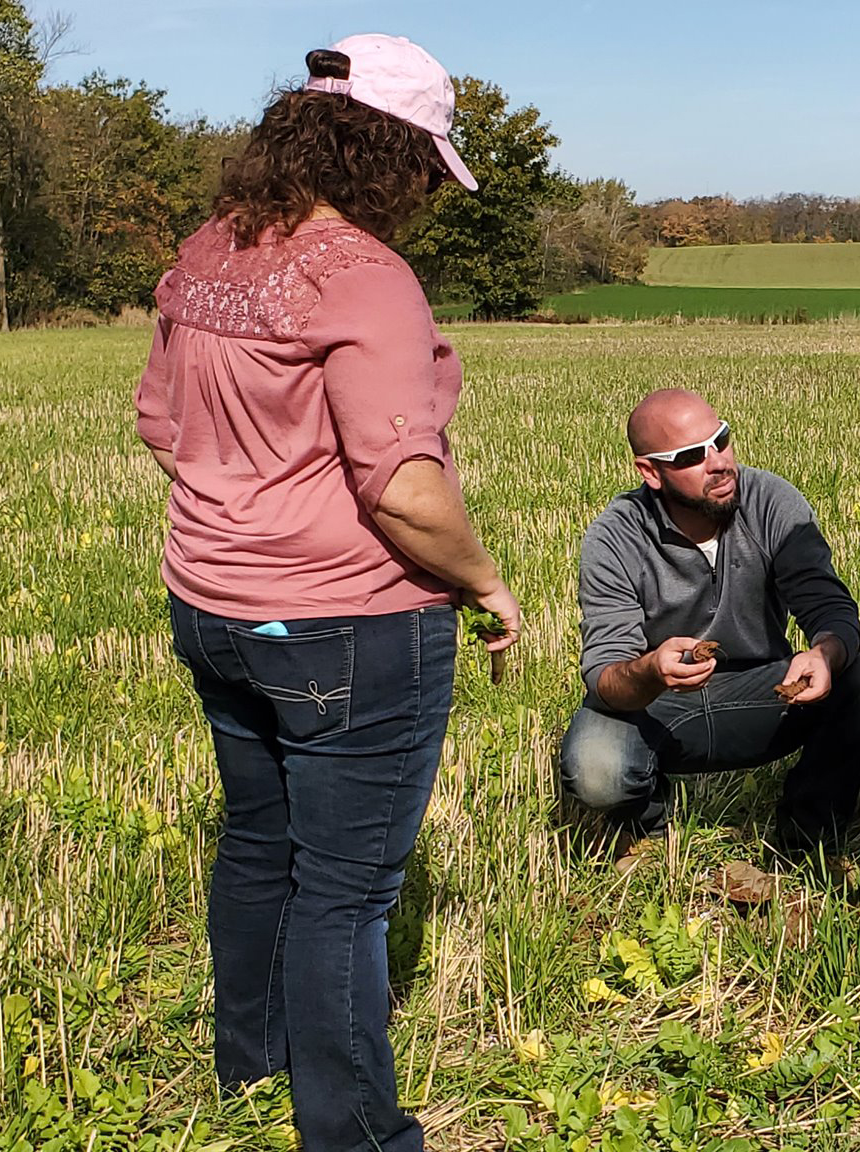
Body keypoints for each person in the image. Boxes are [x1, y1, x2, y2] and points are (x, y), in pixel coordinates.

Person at [134, 35, 520, 1152]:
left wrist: (247, 513)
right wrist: (486, 582)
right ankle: (353, 1135)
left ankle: (249, 1070)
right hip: (348, 624)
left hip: (209, 607)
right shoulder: (364, 277)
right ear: (392, 157)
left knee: (259, 845)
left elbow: (161, 426)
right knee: (344, 894)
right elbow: (402, 488)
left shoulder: (207, 251)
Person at [557, 389, 860, 859]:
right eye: (692, 456)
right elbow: (605, 677)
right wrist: (652, 670)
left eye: (721, 439)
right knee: (596, 767)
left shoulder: (770, 500)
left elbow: (829, 607)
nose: (718, 461)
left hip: (767, 693)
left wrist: (824, 653)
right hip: (660, 704)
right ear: (650, 472)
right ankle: (651, 834)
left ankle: (808, 831)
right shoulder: (615, 536)